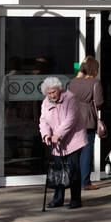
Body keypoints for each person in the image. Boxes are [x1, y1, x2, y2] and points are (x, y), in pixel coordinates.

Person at [40, 77, 85, 208]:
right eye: (49, 93)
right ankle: (58, 199)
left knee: (73, 169)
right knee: (58, 170)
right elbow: (43, 121)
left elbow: (71, 119)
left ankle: (76, 200)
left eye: (54, 92)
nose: (52, 95)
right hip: (57, 142)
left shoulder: (70, 98)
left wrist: (58, 134)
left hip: (73, 139)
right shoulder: (45, 103)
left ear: (59, 89)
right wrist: (46, 135)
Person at [67, 56, 104, 191]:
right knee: (86, 151)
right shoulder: (95, 82)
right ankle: (85, 182)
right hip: (87, 119)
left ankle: (73, 180)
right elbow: (99, 103)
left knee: (74, 151)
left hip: (73, 119)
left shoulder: (73, 82)